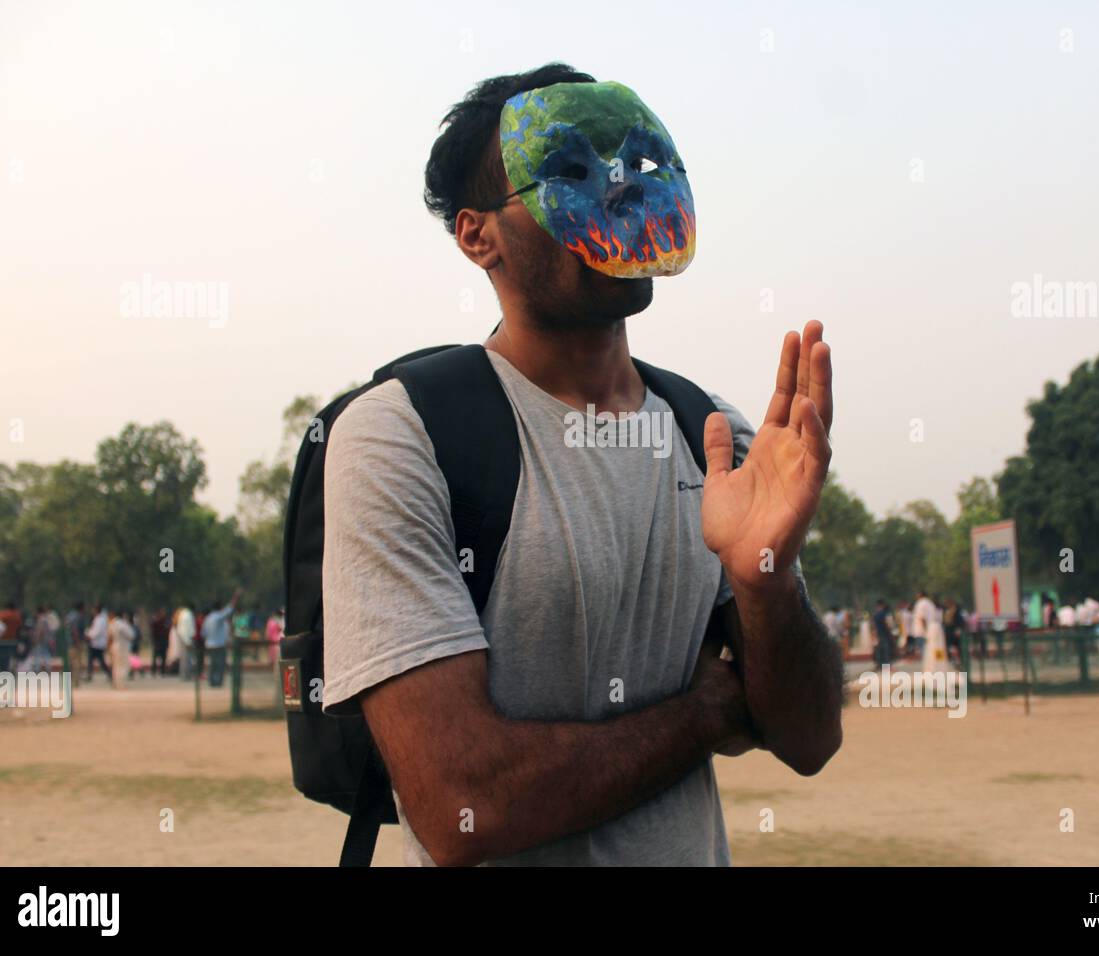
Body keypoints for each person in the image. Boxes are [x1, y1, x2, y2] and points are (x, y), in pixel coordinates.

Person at [319, 64, 841, 867]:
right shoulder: (401, 437)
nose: (620, 193)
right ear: (476, 235)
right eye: (568, 171)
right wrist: (702, 716)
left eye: (638, 164)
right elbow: (464, 804)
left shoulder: (716, 439)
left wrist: (764, 580)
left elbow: (809, 739)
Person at [201, 590, 241, 688]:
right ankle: (217, 682)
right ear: (220, 608)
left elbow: (203, 633)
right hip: (218, 645)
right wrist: (236, 597)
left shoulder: (208, 618)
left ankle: (212, 681)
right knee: (219, 665)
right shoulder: (218, 617)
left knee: (212, 664)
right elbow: (230, 609)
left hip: (210, 645)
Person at [85, 605, 112, 683]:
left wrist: (89, 636)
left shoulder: (100, 620)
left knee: (97, 660)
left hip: (97, 643)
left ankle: (90, 675)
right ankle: (90, 674)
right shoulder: (99, 619)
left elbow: (97, 631)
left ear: (96, 610)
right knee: (96, 660)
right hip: (96, 643)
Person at [174, 604, 197, 680]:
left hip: (183, 638)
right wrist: (188, 641)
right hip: (186, 639)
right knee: (187, 658)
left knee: (184, 658)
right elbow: (188, 629)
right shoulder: (188, 615)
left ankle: (184, 675)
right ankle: (186, 675)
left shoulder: (183, 614)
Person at [871, 599, 895, 666]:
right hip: (885, 634)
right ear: (883, 605)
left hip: (878, 634)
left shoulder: (875, 614)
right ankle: (886, 665)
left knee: (879, 650)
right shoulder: (885, 613)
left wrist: (874, 635)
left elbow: (873, 626)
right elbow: (888, 624)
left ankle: (879, 664)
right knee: (886, 650)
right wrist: (890, 633)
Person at [149, 608, 170, 676]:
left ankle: (162, 671)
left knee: (163, 657)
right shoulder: (156, 622)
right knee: (155, 657)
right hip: (158, 641)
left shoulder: (165, 622)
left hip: (163, 641)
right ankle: (154, 671)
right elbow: (153, 632)